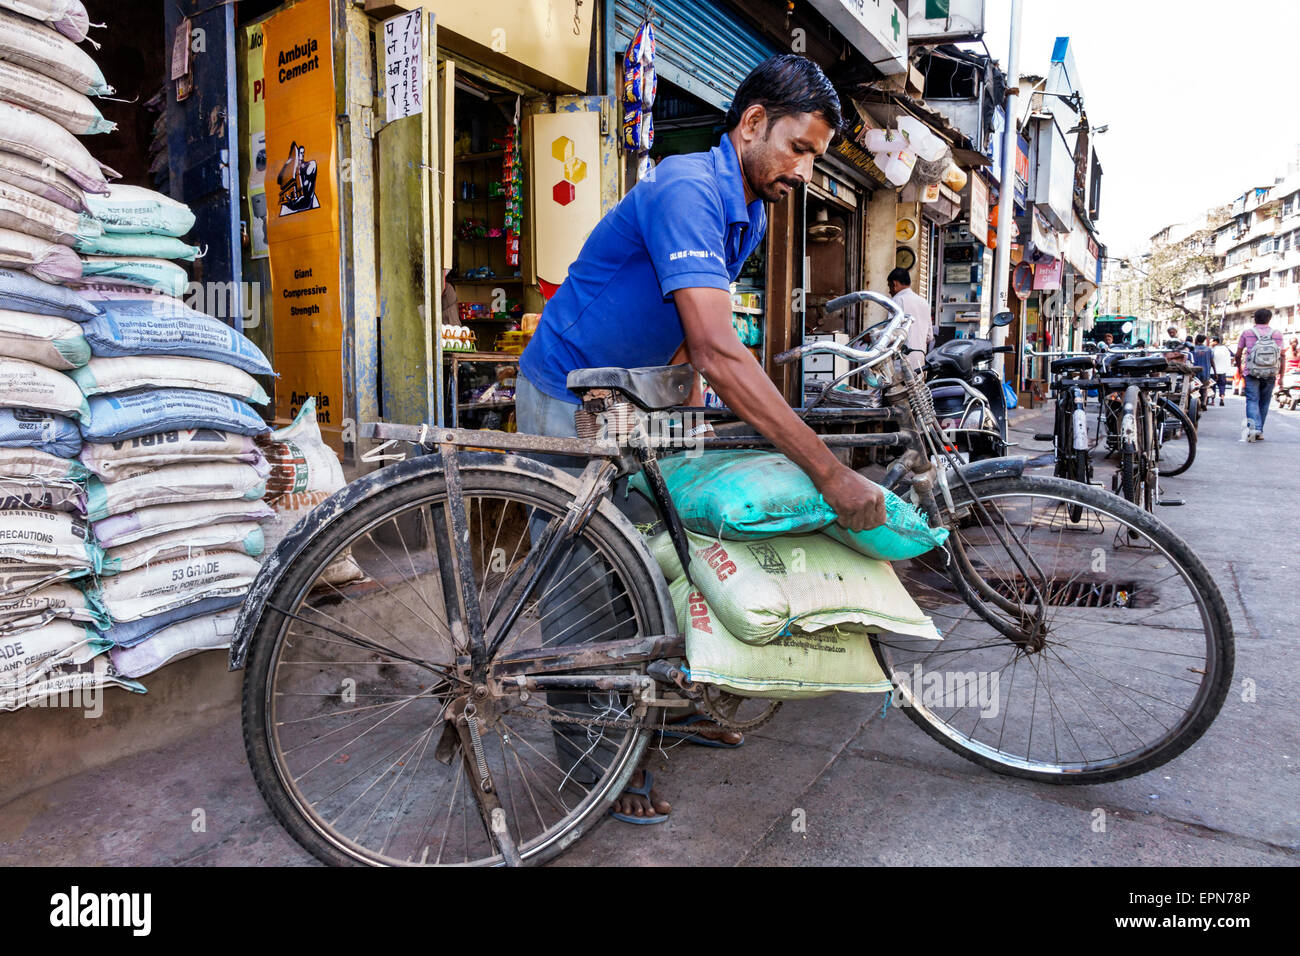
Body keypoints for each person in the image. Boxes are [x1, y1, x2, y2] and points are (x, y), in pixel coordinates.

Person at [517, 55, 882, 823]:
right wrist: (827, 471)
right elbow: (718, 347)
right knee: (583, 584)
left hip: (631, 395)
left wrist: (678, 404)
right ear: (752, 123)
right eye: (799, 148)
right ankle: (595, 767)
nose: (806, 171)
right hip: (566, 391)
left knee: (650, 562)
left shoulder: (746, 205)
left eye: (816, 156)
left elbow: (693, 342)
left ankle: (657, 708)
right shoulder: (690, 186)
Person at [1234, 308, 1285, 441]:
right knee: (1264, 403)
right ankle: (1259, 430)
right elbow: (1282, 356)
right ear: (1269, 319)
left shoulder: (1247, 333)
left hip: (1252, 373)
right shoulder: (1277, 334)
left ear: (1254, 319)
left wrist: (1239, 369)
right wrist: (1281, 376)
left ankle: (1253, 429)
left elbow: (1238, 354)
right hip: (1270, 373)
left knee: (1252, 401)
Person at [886, 267, 933, 370]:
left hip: (902, 364)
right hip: (920, 363)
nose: (889, 291)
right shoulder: (924, 302)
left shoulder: (897, 300)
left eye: (889, 286)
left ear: (894, 284)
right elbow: (929, 337)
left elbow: (890, 334)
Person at [1192, 334, 1213, 408]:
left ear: (1196, 340)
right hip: (1206, 371)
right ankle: (1204, 402)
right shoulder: (1208, 349)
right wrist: (1215, 372)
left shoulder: (1192, 349)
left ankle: (1196, 402)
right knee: (1204, 388)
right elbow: (1211, 361)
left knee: (1195, 388)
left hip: (1194, 371)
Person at [1210, 335, 1233, 406]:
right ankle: (1222, 398)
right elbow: (1233, 356)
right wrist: (1228, 365)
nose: (1210, 343)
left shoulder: (1212, 349)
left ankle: (1213, 401)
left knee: (1212, 385)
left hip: (1213, 371)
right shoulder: (1226, 348)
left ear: (1215, 341)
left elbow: (1210, 360)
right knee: (1222, 385)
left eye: (1211, 341)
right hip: (1222, 371)